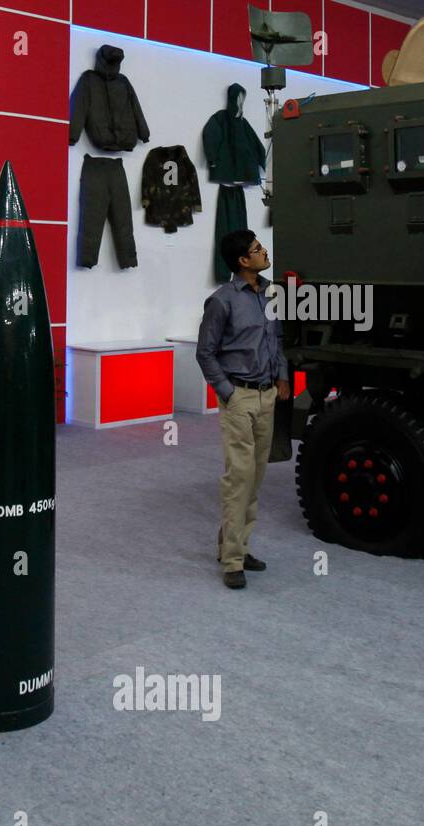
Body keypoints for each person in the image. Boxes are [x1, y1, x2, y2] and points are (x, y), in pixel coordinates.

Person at [196, 229, 291, 590]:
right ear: (242, 261)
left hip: (267, 397)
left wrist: (282, 376)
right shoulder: (221, 302)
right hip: (239, 399)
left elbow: (277, 339)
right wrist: (228, 394)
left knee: (255, 478)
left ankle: (237, 545)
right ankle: (233, 561)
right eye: (257, 249)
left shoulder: (270, 294)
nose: (264, 251)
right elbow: (205, 353)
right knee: (238, 479)